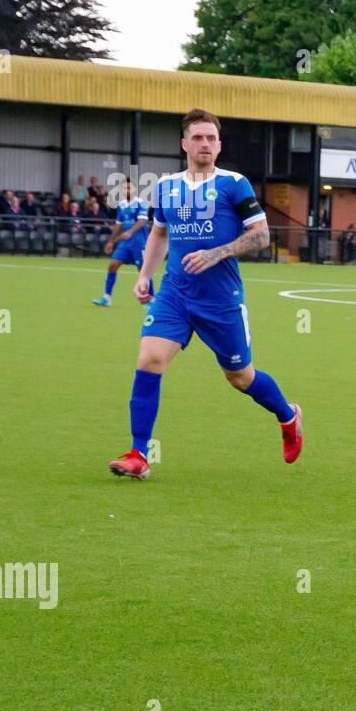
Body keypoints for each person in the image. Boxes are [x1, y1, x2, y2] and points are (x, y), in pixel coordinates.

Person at [107, 108, 303, 480]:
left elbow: (261, 235)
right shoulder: (166, 186)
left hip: (221, 300)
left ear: (219, 144)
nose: (205, 144)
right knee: (149, 359)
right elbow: (159, 234)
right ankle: (139, 454)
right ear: (184, 143)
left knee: (240, 377)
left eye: (211, 138)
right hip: (176, 294)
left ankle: (288, 416)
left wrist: (217, 252)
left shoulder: (234, 183)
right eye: (197, 138)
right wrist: (145, 276)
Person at [93, 180, 154, 307]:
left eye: (128, 188)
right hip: (125, 244)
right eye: (124, 188)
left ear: (134, 189)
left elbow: (142, 220)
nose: (126, 190)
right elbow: (118, 225)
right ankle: (107, 298)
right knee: (112, 265)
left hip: (139, 243)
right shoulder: (121, 204)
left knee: (143, 271)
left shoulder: (140, 203)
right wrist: (110, 242)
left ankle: (151, 299)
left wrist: (130, 232)